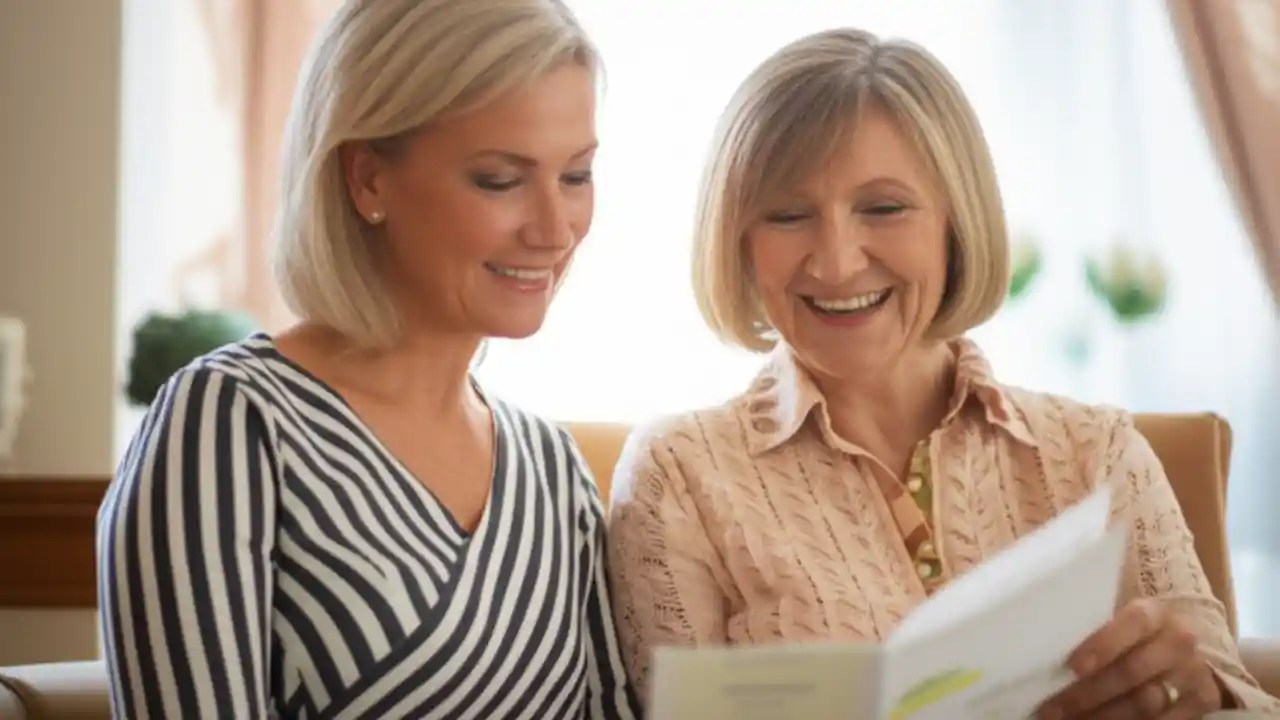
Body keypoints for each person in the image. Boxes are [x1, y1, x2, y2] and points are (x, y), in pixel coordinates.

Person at [606, 27, 1279, 718]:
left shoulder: (1098, 454)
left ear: (955, 222)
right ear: (738, 242)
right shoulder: (679, 477)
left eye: (884, 207)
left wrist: (1199, 693)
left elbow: (1241, 701)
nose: (836, 263)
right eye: (787, 215)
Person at [97, 1, 638, 717]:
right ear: (367, 180)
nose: (554, 228)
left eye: (576, 176)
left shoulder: (552, 473)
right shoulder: (231, 422)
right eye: (500, 180)